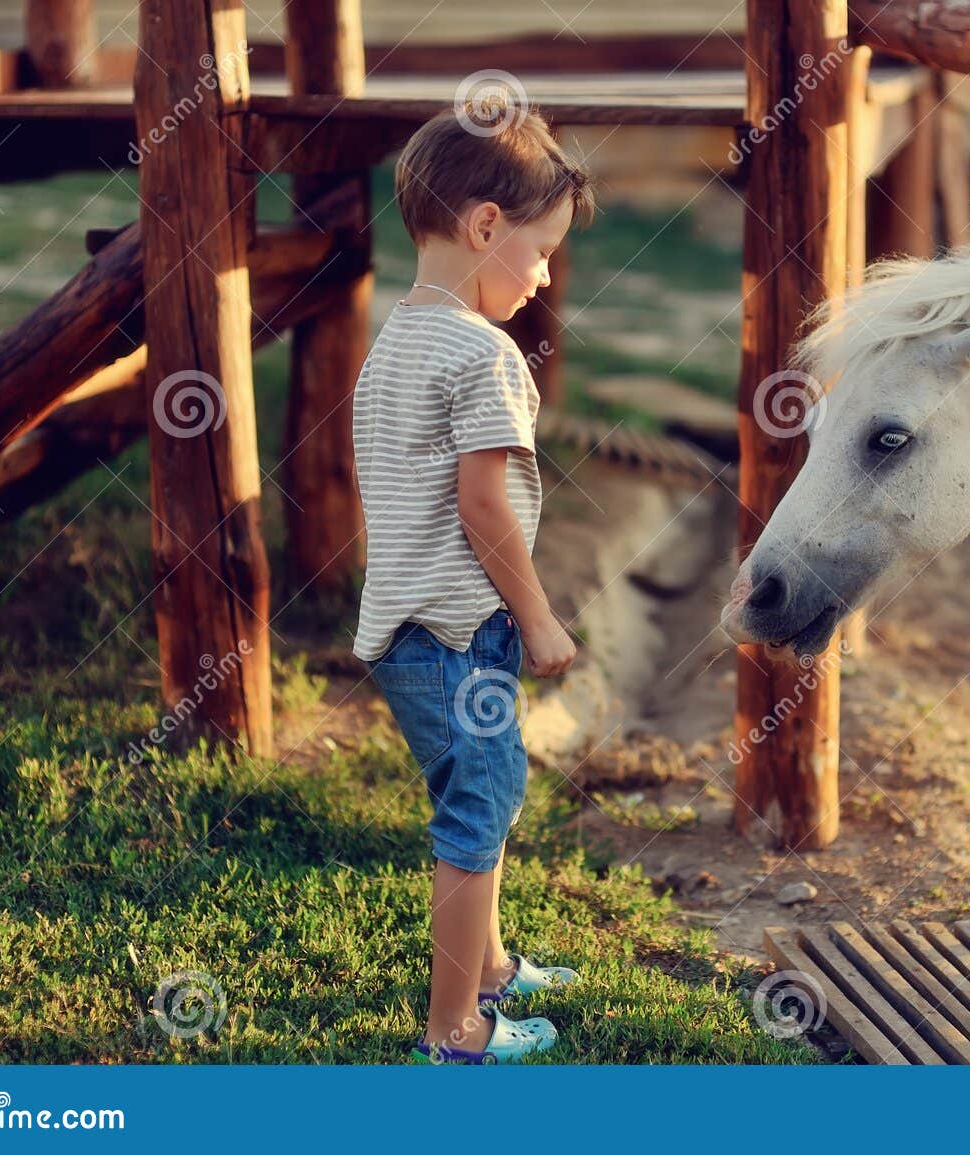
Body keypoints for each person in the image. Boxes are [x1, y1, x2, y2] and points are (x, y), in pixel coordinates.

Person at [352, 97, 595, 1063]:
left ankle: (489, 969)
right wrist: (536, 620)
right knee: (477, 815)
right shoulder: (484, 353)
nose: (542, 277)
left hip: (403, 630)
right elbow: (484, 508)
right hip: (465, 633)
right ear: (485, 225)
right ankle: (456, 1031)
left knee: (474, 793)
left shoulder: (392, 341)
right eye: (541, 252)